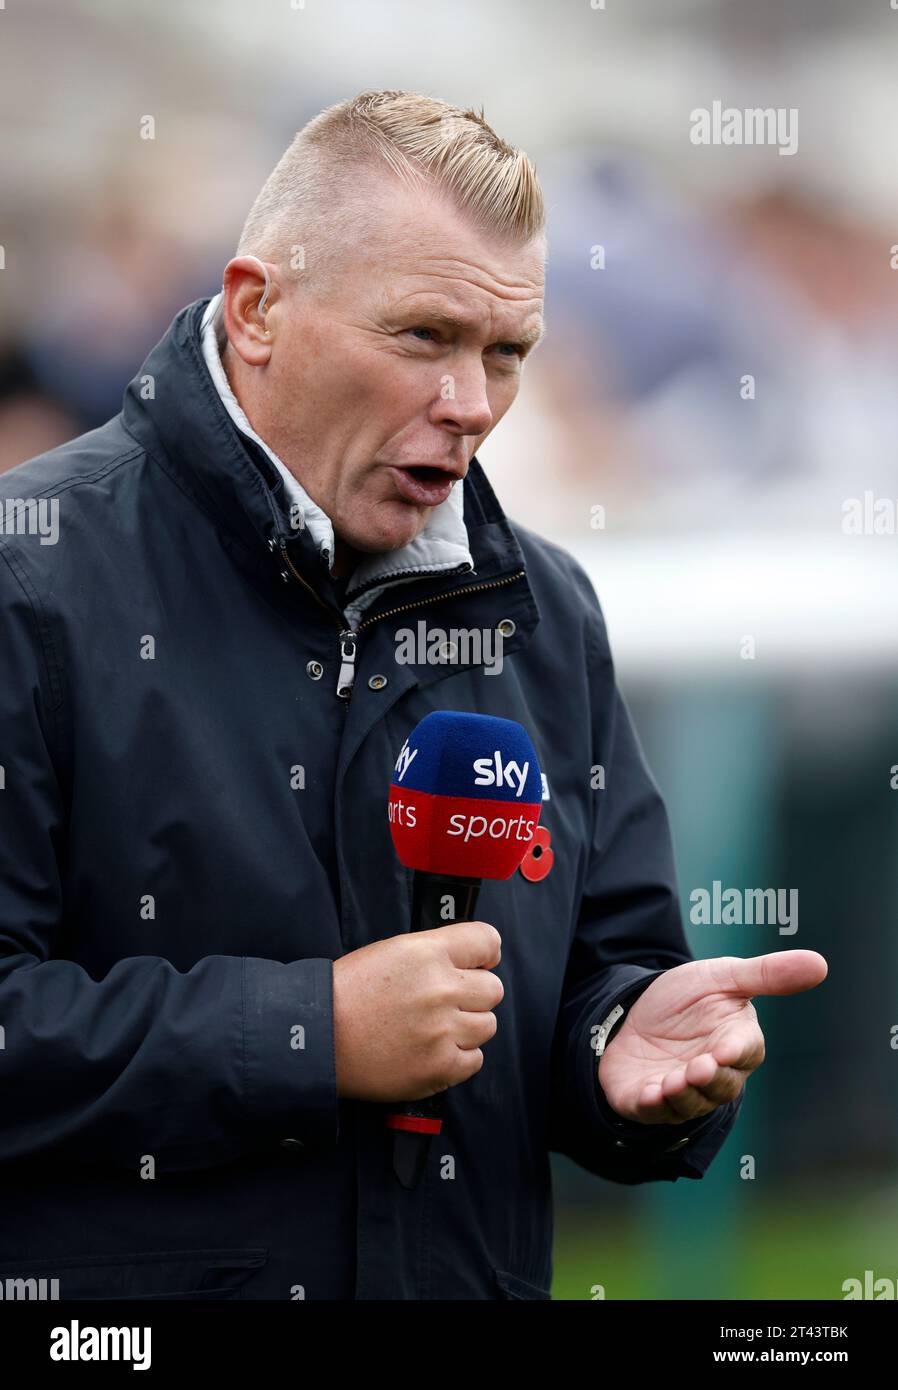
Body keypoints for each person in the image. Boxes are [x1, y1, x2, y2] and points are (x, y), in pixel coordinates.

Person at [0, 89, 826, 1301]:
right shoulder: (33, 580)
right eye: (424, 337)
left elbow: (601, 971)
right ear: (258, 309)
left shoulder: (546, 611)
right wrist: (310, 1033)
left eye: (506, 353)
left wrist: (625, 1045)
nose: (473, 404)